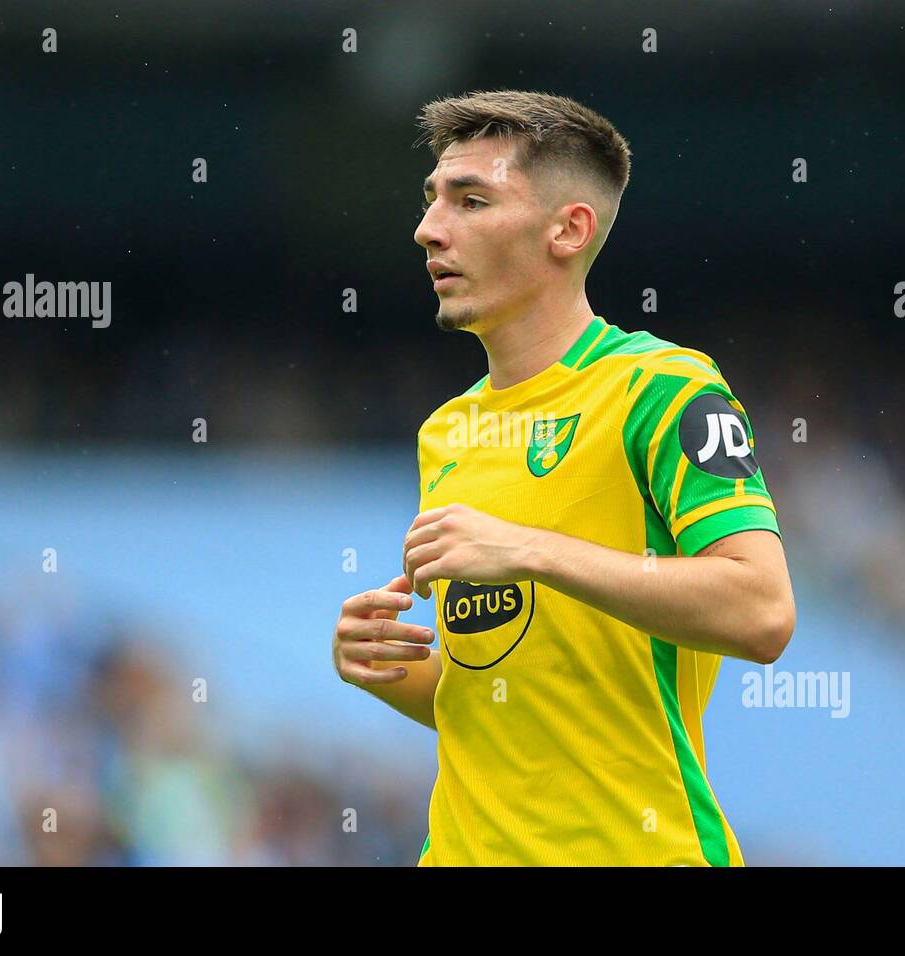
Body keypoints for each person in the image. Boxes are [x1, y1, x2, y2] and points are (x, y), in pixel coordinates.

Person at [332, 90, 795, 866]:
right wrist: (389, 669)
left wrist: (529, 549)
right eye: (432, 201)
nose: (428, 229)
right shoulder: (447, 433)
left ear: (568, 229)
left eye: (471, 200)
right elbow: (498, 686)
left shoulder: (663, 387)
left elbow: (763, 610)